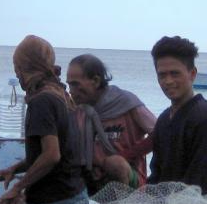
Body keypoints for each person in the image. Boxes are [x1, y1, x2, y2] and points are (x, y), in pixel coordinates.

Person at [0, 36, 88, 204]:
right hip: (76, 195)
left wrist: (17, 187)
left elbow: (51, 155)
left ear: (22, 69)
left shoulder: (41, 101)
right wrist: (15, 169)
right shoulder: (60, 94)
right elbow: (60, 149)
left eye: (17, 69)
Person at [147, 35, 207, 197]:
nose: (168, 81)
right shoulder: (164, 119)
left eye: (175, 74)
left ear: (192, 74)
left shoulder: (205, 119)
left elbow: (200, 183)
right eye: (162, 75)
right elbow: (156, 175)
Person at [67, 53, 157, 189]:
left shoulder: (127, 103)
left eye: (75, 85)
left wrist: (126, 155)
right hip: (94, 176)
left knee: (115, 164)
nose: (71, 91)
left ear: (96, 81)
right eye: (69, 85)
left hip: (127, 175)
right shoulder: (80, 110)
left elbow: (159, 134)